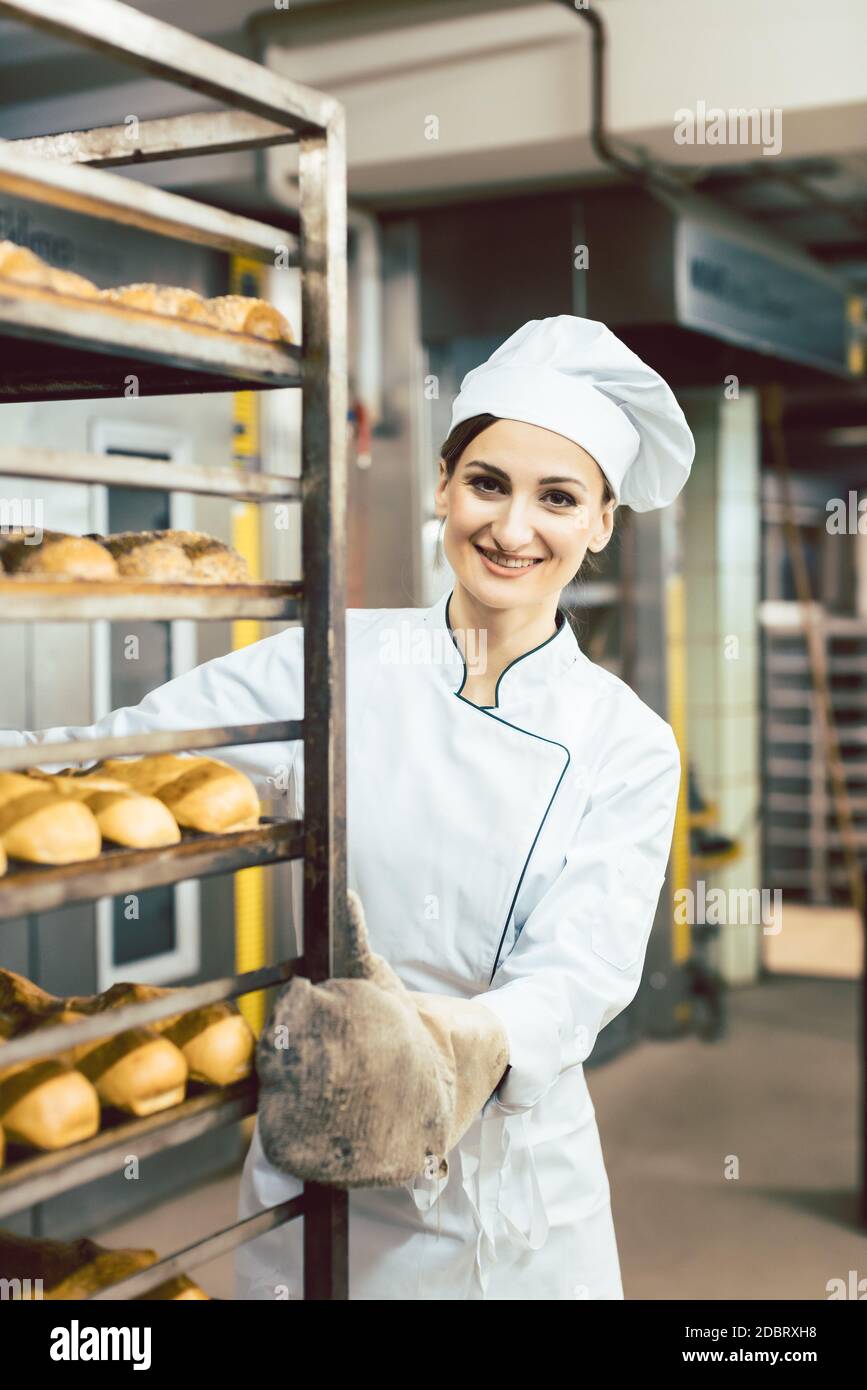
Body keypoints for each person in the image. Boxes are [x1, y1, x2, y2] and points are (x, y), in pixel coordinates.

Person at [1, 315, 694, 1300]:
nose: (511, 528)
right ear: (443, 487)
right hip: (317, 1172)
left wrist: (455, 1048)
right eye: (488, 484)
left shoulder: (625, 739)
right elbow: (114, 757)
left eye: (558, 498)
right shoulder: (333, 664)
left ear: (601, 523)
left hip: (512, 1204)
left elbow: (579, 974)